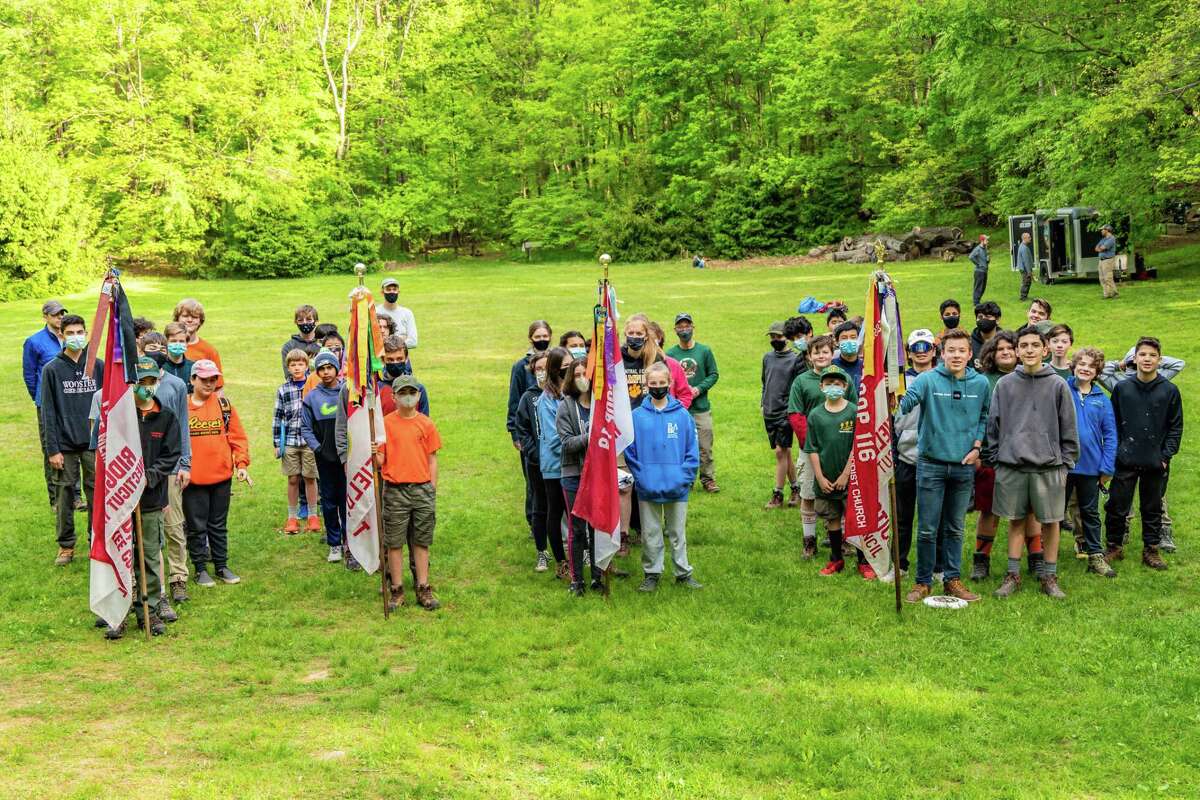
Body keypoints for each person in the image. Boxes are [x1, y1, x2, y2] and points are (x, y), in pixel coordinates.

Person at [987, 326, 1078, 599]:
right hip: (1012, 465)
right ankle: (1012, 574)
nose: (1028, 350)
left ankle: (1049, 576)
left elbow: (1069, 426)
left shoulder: (1058, 384)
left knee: (1051, 523)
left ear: (1044, 349)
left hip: (1049, 466)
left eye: (1034, 345)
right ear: (1016, 351)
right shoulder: (1005, 385)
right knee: (1015, 521)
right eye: (1023, 345)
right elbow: (994, 424)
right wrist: (996, 459)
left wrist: (1066, 462)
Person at [900, 328, 991, 602]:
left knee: (954, 527)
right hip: (931, 465)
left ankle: (952, 579)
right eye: (951, 350)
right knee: (927, 528)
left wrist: (977, 447)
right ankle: (922, 582)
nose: (956, 355)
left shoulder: (981, 384)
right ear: (942, 353)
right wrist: (897, 396)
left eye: (962, 350)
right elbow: (907, 403)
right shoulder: (927, 380)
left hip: (963, 466)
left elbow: (984, 417)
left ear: (969, 353)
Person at [105, 357, 183, 639]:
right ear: (131, 384)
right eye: (141, 383)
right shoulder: (121, 417)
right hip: (121, 501)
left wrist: (148, 476)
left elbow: (170, 455)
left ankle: (148, 611)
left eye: (151, 382)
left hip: (150, 499)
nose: (147, 388)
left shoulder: (166, 417)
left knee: (149, 556)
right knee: (122, 557)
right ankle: (119, 613)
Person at [1103, 337, 1183, 571]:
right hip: (1125, 458)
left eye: (1152, 355)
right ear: (1134, 359)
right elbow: (1113, 423)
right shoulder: (1122, 388)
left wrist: (1165, 456)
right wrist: (1115, 452)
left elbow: (1175, 426)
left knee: (1152, 507)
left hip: (1155, 461)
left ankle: (1151, 549)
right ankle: (1114, 546)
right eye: (1143, 355)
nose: (1147, 359)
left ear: (1160, 360)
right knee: (1117, 505)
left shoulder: (1169, 390)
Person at [623, 362, 702, 592]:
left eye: (662, 383)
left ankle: (683, 572)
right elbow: (631, 451)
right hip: (648, 485)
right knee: (650, 532)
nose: (658, 386)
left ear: (670, 383)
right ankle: (652, 573)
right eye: (653, 383)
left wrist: (684, 477)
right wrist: (642, 477)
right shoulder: (636, 416)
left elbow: (691, 451)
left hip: (677, 486)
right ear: (646, 386)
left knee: (677, 532)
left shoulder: (682, 416)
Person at [137, 332, 194, 609]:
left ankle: (178, 577)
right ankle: (154, 588)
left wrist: (185, 462)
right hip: (143, 471)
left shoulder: (176, 385)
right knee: (150, 533)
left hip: (169, 468)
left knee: (173, 526)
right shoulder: (133, 390)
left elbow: (182, 425)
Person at [41, 314, 103, 566]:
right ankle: (66, 545)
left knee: (96, 492)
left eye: (80, 332)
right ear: (62, 336)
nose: (76, 337)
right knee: (65, 493)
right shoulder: (52, 369)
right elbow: (48, 412)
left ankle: (96, 539)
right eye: (71, 333)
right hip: (64, 445)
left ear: (86, 334)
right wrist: (52, 449)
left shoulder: (96, 366)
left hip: (92, 443)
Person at [787, 334, 857, 557]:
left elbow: (855, 409)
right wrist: (811, 442)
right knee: (809, 494)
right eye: (816, 352)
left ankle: (842, 539)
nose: (821, 356)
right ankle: (809, 540)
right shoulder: (802, 381)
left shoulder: (843, 378)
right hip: (813, 449)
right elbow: (796, 415)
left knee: (841, 495)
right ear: (809, 356)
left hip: (842, 449)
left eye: (825, 351)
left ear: (832, 353)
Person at [376, 375, 442, 611]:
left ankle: (423, 586)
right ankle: (396, 589)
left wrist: (431, 487)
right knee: (394, 542)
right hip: (395, 490)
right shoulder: (385, 424)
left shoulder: (426, 424)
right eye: (402, 393)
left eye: (411, 392)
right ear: (393, 397)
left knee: (421, 541)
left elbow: (432, 458)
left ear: (418, 396)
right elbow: (381, 460)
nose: (407, 397)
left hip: (422, 488)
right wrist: (375, 452)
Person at [183, 359, 250, 587]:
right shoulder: (181, 406)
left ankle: (221, 566)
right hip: (193, 480)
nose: (209, 384)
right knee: (196, 527)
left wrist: (241, 465)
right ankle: (200, 568)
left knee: (218, 524)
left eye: (213, 379)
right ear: (192, 380)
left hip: (221, 477)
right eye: (204, 379)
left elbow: (238, 438)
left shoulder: (224, 405)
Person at [802, 366, 865, 578]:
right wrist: (820, 477)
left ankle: (863, 561)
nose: (833, 387)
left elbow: (858, 445)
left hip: (851, 478)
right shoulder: (815, 415)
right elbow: (812, 448)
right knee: (832, 518)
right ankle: (836, 558)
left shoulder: (854, 412)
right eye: (828, 384)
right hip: (826, 478)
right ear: (821, 387)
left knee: (857, 518)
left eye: (837, 384)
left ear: (846, 386)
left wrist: (846, 474)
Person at [969, 330, 1017, 580]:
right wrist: (976, 451)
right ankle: (981, 560)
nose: (1006, 352)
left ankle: (1033, 560)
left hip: (1022, 457)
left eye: (1010, 348)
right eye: (1001, 349)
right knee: (989, 510)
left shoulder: (1027, 378)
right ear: (992, 353)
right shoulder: (982, 381)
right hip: (990, 455)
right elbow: (973, 417)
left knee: (1026, 512)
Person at [1066, 347, 1117, 578]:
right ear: (1074, 366)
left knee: (1090, 512)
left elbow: (1111, 435)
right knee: (1054, 512)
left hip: (1090, 466)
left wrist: (1107, 467)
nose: (1085, 368)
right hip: (1062, 464)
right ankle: (1044, 558)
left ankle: (1096, 556)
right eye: (1082, 364)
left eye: (1091, 366)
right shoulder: (1062, 389)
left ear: (1096, 372)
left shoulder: (1102, 400)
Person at [891, 329, 937, 577]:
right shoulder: (898, 382)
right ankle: (900, 563)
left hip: (935, 457)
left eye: (926, 347)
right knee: (903, 516)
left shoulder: (942, 377)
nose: (921, 353)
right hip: (905, 457)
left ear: (933, 351)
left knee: (934, 518)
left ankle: (937, 567)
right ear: (908, 352)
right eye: (916, 348)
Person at [557, 358, 604, 595]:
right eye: (577, 373)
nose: (582, 377)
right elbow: (566, 443)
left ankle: (598, 576)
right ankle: (577, 580)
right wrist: (590, 436)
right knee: (577, 528)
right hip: (574, 473)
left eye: (586, 372)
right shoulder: (566, 406)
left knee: (597, 527)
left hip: (598, 474)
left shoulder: (601, 404)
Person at [302, 351, 353, 567]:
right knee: (330, 500)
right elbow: (306, 426)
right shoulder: (312, 397)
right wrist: (318, 448)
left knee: (347, 500)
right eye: (321, 369)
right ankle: (334, 542)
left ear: (336, 369)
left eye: (329, 368)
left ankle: (349, 541)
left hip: (346, 457)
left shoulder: (347, 392)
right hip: (325, 456)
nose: (325, 372)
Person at [667, 313, 720, 493]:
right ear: (675, 330)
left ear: (693, 327)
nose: (684, 330)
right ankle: (685, 479)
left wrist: (698, 389)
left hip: (701, 407)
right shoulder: (671, 354)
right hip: (680, 409)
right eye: (680, 327)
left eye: (687, 326)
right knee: (682, 446)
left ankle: (708, 479)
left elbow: (713, 374)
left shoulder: (704, 351)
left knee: (705, 446)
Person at [508, 321, 551, 538]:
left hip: (552, 432)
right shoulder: (521, 367)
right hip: (529, 433)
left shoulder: (556, 362)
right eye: (537, 336)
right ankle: (534, 524)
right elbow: (514, 402)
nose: (542, 339)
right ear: (530, 338)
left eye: (545, 335)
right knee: (532, 482)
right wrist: (515, 433)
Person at [24, 300, 68, 505]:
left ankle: (75, 496)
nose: (59, 317)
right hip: (46, 402)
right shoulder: (34, 342)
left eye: (61, 314)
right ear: (45, 317)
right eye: (55, 314)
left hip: (68, 400)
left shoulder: (70, 337)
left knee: (71, 446)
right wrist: (38, 398)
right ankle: (55, 499)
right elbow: (30, 375)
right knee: (51, 447)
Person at [274, 349, 320, 535]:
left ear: (307, 365)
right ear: (288, 367)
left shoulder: (314, 386)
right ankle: (292, 517)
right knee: (293, 478)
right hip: (291, 441)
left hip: (310, 441)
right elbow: (277, 417)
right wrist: (277, 443)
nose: (297, 368)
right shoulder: (283, 389)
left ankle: (313, 515)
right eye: (293, 365)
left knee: (310, 477)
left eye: (300, 364)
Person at [536, 347, 572, 580]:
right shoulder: (546, 400)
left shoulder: (571, 394)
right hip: (554, 465)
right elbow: (552, 437)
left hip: (574, 462)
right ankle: (561, 562)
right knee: (555, 510)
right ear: (556, 368)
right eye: (566, 365)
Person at [513, 351, 550, 570]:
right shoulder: (529, 397)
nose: (543, 373)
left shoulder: (563, 395)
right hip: (537, 462)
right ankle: (541, 551)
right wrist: (532, 453)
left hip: (561, 462)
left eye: (547, 368)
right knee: (539, 505)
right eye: (539, 369)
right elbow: (523, 428)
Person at [762, 321, 804, 509]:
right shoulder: (767, 358)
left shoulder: (795, 359)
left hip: (786, 412)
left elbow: (797, 388)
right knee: (784, 453)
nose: (775, 340)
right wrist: (763, 402)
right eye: (772, 337)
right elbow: (765, 381)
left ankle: (778, 493)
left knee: (780, 452)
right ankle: (796, 488)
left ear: (786, 337)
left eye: (778, 336)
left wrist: (791, 410)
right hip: (769, 411)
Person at [630, 315, 693, 407]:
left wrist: (675, 412)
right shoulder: (630, 364)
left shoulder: (672, 364)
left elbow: (685, 394)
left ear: (659, 339)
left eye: (652, 338)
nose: (649, 343)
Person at [173, 299, 222, 368]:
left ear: (200, 321)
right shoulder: (166, 346)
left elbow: (217, 378)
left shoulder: (209, 351)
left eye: (194, 317)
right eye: (185, 316)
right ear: (177, 319)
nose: (190, 320)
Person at [279, 304, 322, 377]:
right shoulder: (289, 347)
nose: (305, 323)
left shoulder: (323, 344)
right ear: (296, 322)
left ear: (316, 321)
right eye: (300, 320)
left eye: (309, 319)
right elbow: (288, 375)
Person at [376, 277, 419, 348]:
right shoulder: (375, 312)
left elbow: (413, 342)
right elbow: (372, 340)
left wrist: (385, 342)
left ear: (398, 292)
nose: (392, 292)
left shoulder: (407, 313)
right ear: (382, 292)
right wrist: (401, 339)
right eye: (388, 289)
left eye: (394, 289)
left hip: (401, 358)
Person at [161, 322, 195, 386]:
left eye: (181, 341)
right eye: (173, 341)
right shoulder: (160, 367)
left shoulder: (193, 368)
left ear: (187, 343)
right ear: (166, 342)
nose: (177, 344)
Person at [969, 301, 1001, 368]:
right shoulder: (968, 342)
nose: (983, 319)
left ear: (997, 320)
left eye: (988, 316)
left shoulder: (1006, 342)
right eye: (980, 317)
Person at [832, 320, 862, 387]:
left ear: (859, 340)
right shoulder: (831, 366)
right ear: (836, 342)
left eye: (853, 337)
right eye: (844, 338)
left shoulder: (865, 367)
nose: (849, 341)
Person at [1095, 224, 1119, 299]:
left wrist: (1100, 248)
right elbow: (1096, 248)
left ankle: (1115, 293)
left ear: (1107, 230)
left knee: (1108, 277)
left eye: (1102, 230)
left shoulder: (1111, 239)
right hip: (1101, 261)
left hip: (1108, 260)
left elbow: (1102, 248)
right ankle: (1107, 294)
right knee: (1102, 278)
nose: (1101, 231)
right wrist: (1100, 248)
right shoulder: (1103, 239)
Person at [969, 234, 989, 305]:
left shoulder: (985, 248)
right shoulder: (978, 249)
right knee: (978, 287)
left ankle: (978, 300)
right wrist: (978, 264)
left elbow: (985, 258)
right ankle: (976, 302)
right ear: (982, 241)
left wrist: (987, 260)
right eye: (986, 240)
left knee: (983, 287)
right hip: (979, 271)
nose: (988, 241)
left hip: (985, 271)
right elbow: (971, 257)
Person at [1016, 231, 1035, 301]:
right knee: (1026, 282)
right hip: (1025, 269)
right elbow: (1026, 261)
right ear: (1024, 238)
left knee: (1027, 281)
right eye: (1029, 237)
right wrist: (1029, 271)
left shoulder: (1023, 246)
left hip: (1024, 268)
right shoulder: (1024, 248)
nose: (1030, 238)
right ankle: (1023, 297)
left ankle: (1024, 296)